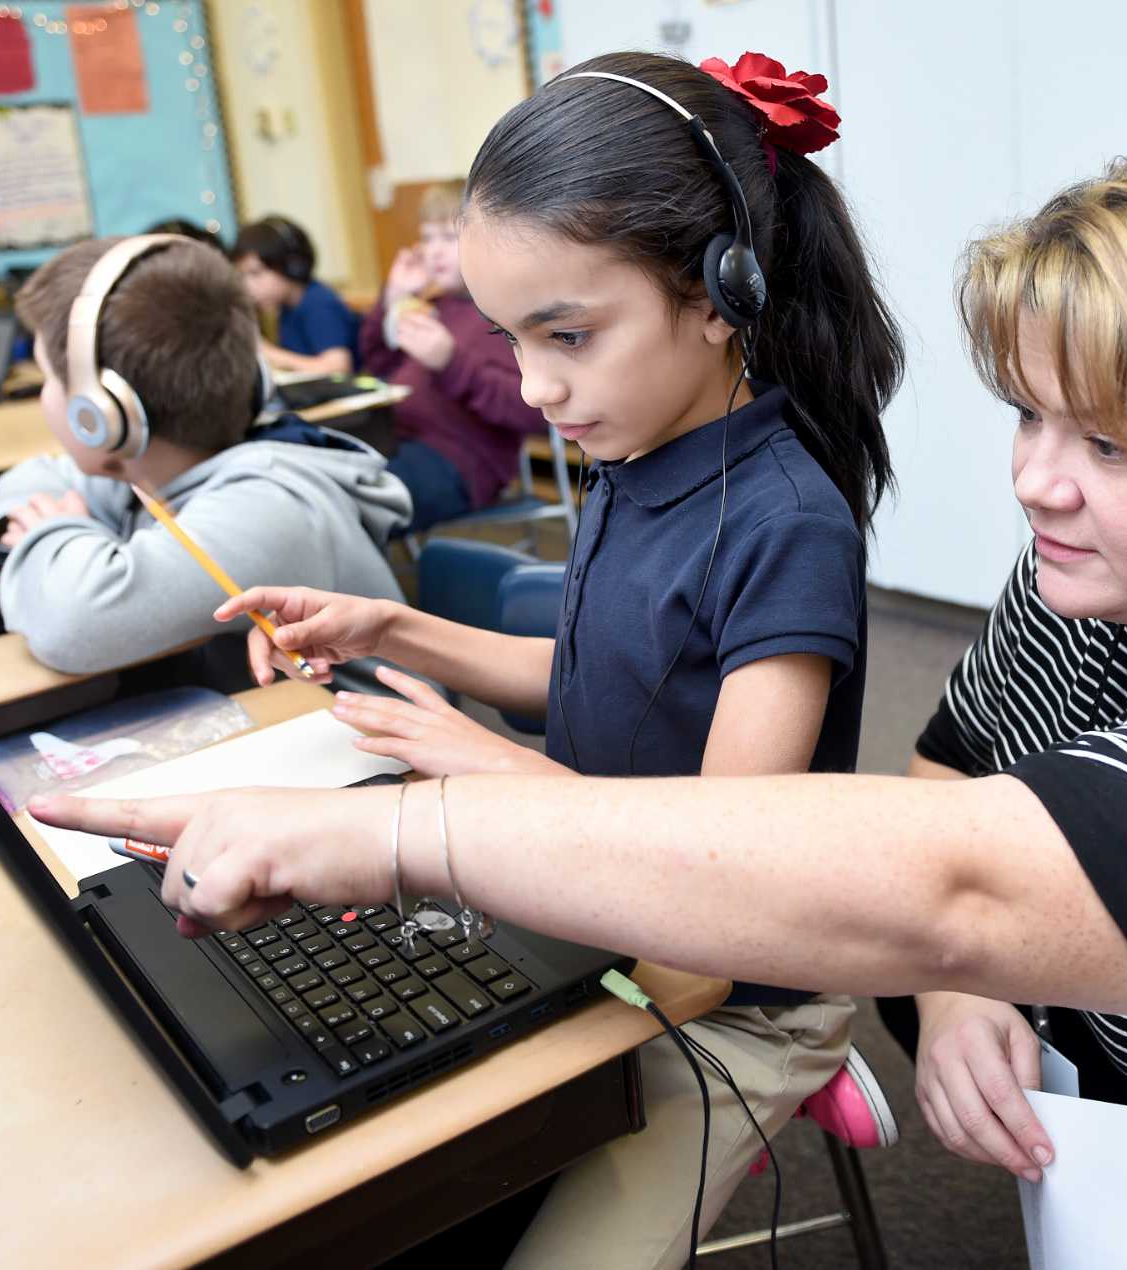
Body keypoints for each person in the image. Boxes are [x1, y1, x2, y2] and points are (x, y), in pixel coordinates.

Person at [35, 125, 1127, 1266]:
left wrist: (400, 835)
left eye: (1106, 443)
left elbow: (962, 882)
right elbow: (947, 776)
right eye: (1030, 416)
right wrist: (970, 997)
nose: (1034, 483)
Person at [222, 50, 895, 1269]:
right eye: (510, 339)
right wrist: (390, 628)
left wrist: (489, 770)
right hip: (588, 918)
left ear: (722, 292)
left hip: (722, 994)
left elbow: (725, 866)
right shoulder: (631, 453)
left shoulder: (784, 522)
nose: (534, 386)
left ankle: (806, 1063)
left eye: (569, 335)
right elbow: (594, 671)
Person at [0, 235, 410, 679]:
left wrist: (54, 530)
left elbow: (71, 628)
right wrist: (66, 537)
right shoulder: (152, 467)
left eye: (48, 378)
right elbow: (31, 478)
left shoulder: (266, 509)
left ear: (101, 412)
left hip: (351, 723)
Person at [356, 180, 549, 532]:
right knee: (325, 479)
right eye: (427, 239)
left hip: (460, 460)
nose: (434, 252)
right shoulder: (434, 305)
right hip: (399, 439)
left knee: (349, 503)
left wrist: (450, 362)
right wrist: (392, 298)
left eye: (448, 237)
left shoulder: (504, 314)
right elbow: (379, 365)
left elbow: (533, 411)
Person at [231, 215, 358, 377]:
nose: (247, 286)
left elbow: (338, 368)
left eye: (256, 273)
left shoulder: (318, 304)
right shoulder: (287, 308)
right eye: (242, 275)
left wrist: (267, 351)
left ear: (292, 266)